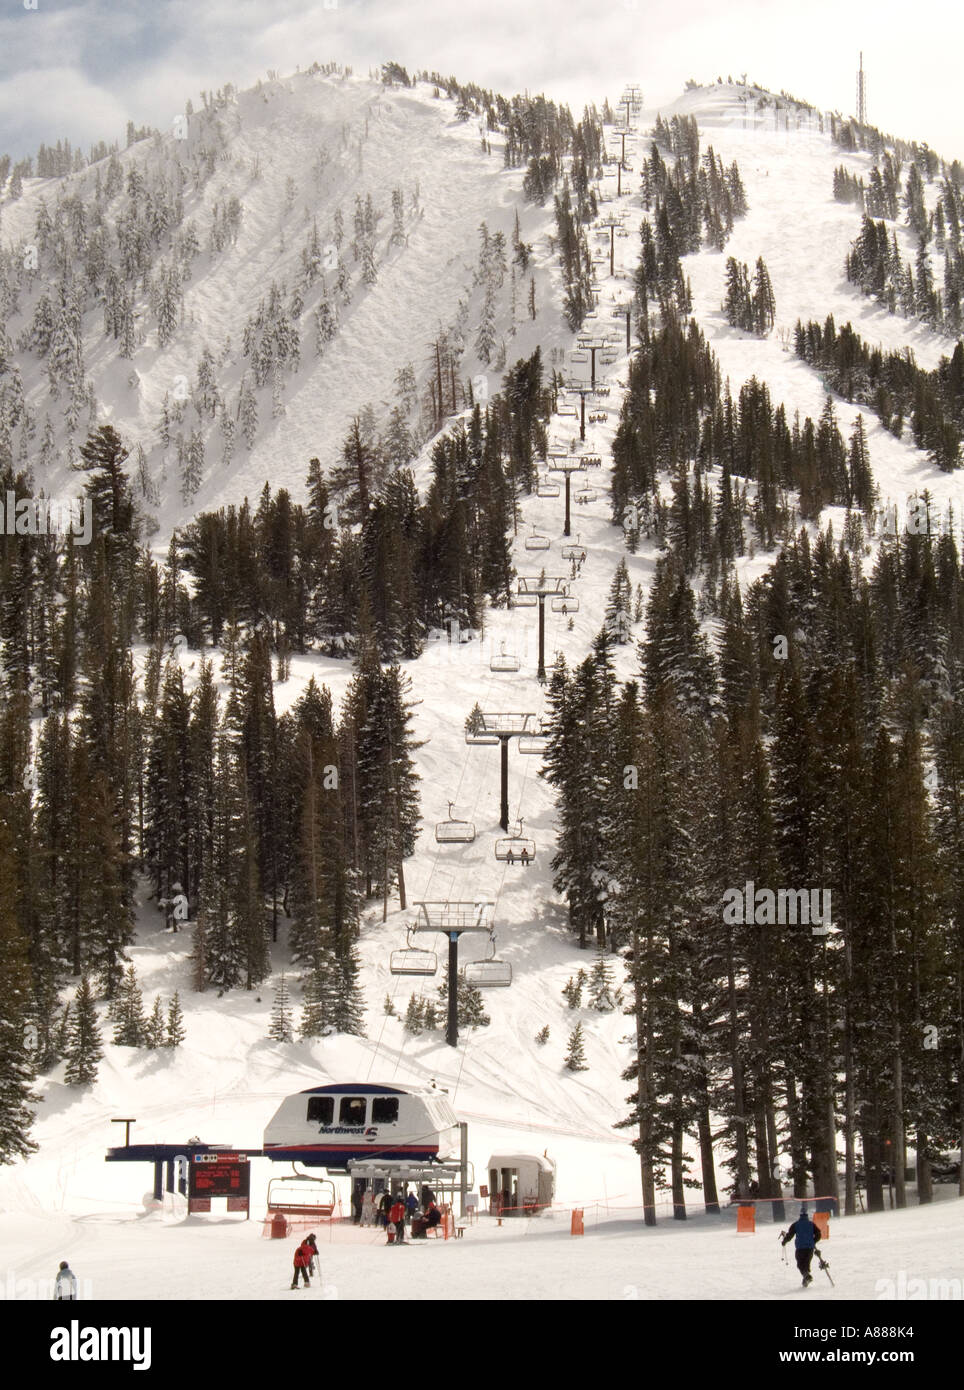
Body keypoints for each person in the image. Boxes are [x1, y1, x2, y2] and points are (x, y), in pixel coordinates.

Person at [781, 1205, 821, 1286]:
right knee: (806, 1264)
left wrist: (784, 1241)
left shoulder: (796, 1224)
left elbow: (790, 1235)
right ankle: (806, 1279)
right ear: (807, 1215)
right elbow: (819, 1234)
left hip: (800, 1248)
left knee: (800, 1264)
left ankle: (807, 1276)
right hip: (810, 1248)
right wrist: (813, 1241)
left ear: (800, 1215)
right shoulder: (811, 1224)